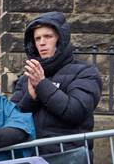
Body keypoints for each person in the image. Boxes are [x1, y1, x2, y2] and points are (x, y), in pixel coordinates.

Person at [10, 11, 103, 155]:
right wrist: (31, 98)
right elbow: (12, 118)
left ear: (60, 39)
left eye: (48, 36)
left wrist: (42, 85)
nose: (42, 42)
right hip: (31, 161)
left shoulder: (85, 72)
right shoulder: (26, 78)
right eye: (37, 38)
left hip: (69, 159)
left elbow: (76, 111)